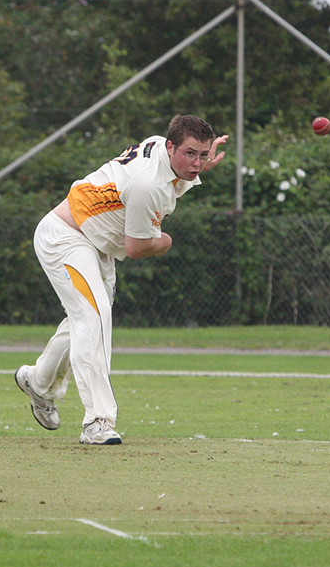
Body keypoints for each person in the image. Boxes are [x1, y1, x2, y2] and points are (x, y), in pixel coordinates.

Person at [15, 115, 228, 445]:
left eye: (202, 155)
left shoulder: (158, 146)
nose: (197, 163)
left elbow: (169, 181)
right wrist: (165, 243)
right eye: (190, 154)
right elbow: (137, 247)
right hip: (65, 238)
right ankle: (97, 421)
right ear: (171, 147)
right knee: (94, 318)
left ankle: (37, 381)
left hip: (96, 243)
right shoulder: (148, 185)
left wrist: (195, 167)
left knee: (85, 321)